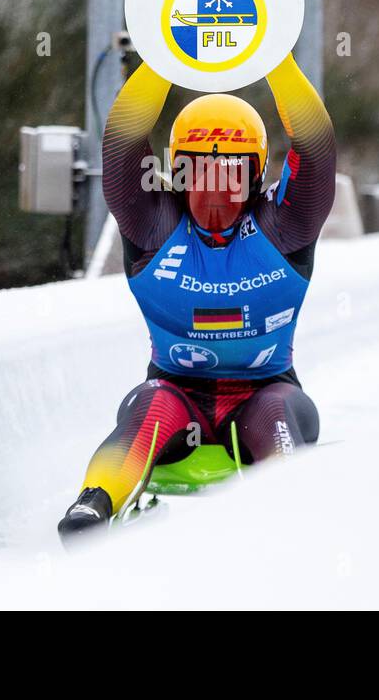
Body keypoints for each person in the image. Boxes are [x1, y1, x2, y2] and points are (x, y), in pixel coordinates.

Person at [58, 53, 336, 538]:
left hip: (266, 395)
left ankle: (297, 512)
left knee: (276, 416)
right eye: (197, 171)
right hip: (175, 395)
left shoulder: (283, 225)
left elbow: (315, 147)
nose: (213, 187)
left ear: (256, 175)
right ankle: (93, 505)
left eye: (228, 170)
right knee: (148, 407)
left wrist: (277, 62)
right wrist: (163, 56)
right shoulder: (153, 223)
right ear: (174, 175)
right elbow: (122, 141)